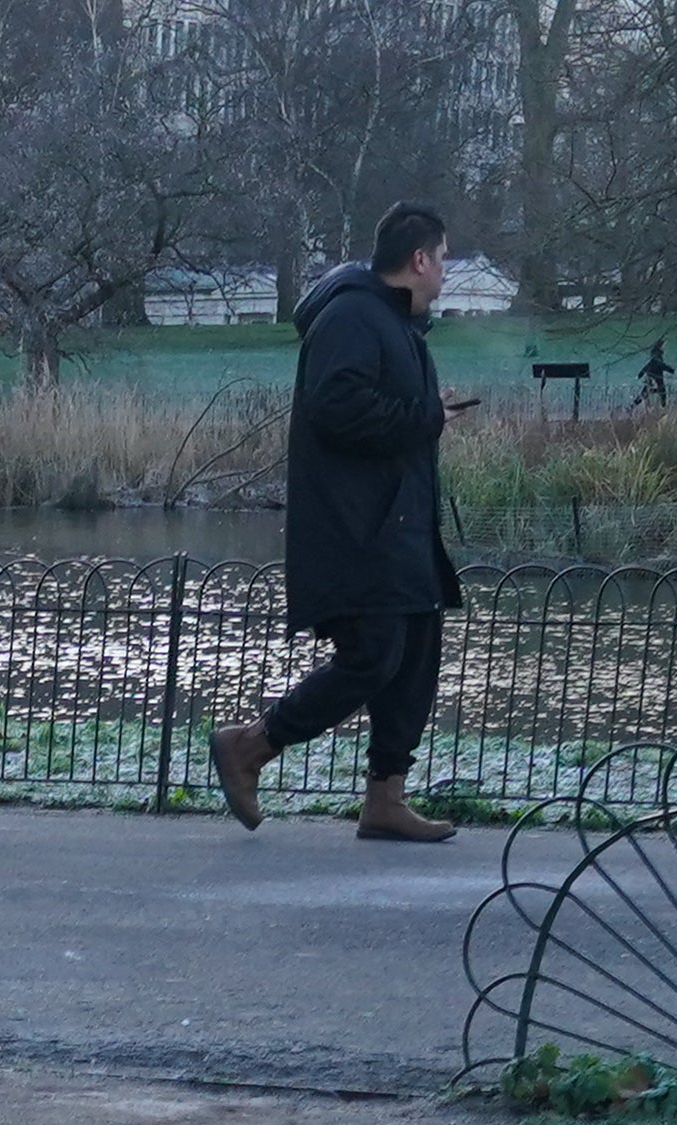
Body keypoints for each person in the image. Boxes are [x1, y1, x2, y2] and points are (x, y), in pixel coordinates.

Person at [209, 204, 471, 845]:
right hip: (359, 529)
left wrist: (424, 414)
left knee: (414, 655)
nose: (444, 271)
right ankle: (249, 746)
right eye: (442, 258)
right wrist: (425, 415)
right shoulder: (355, 316)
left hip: (398, 522)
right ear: (418, 260)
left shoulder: (395, 322)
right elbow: (338, 407)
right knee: (373, 657)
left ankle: (385, 798)